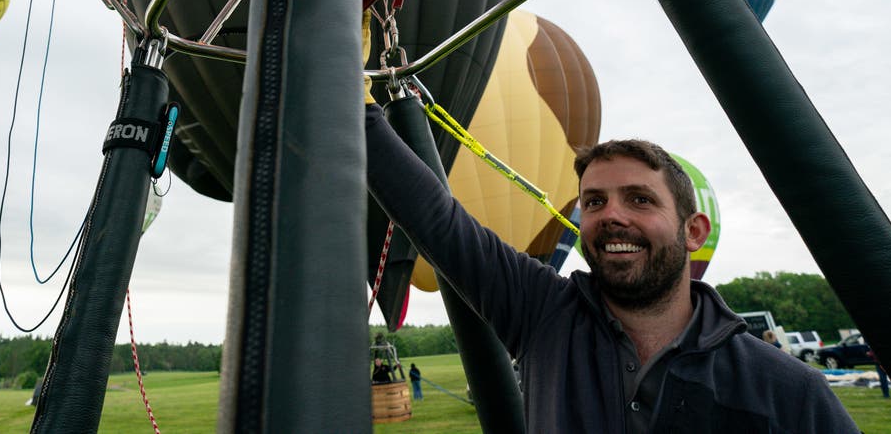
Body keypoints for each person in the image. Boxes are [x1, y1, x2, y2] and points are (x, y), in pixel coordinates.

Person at [364, 103, 859, 432]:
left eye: (639, 199)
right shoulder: (542, 313)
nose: (612, 216)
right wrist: (361, 108)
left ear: (694, 232)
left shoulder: (788, 389)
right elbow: (438, 222)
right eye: (594, 202)